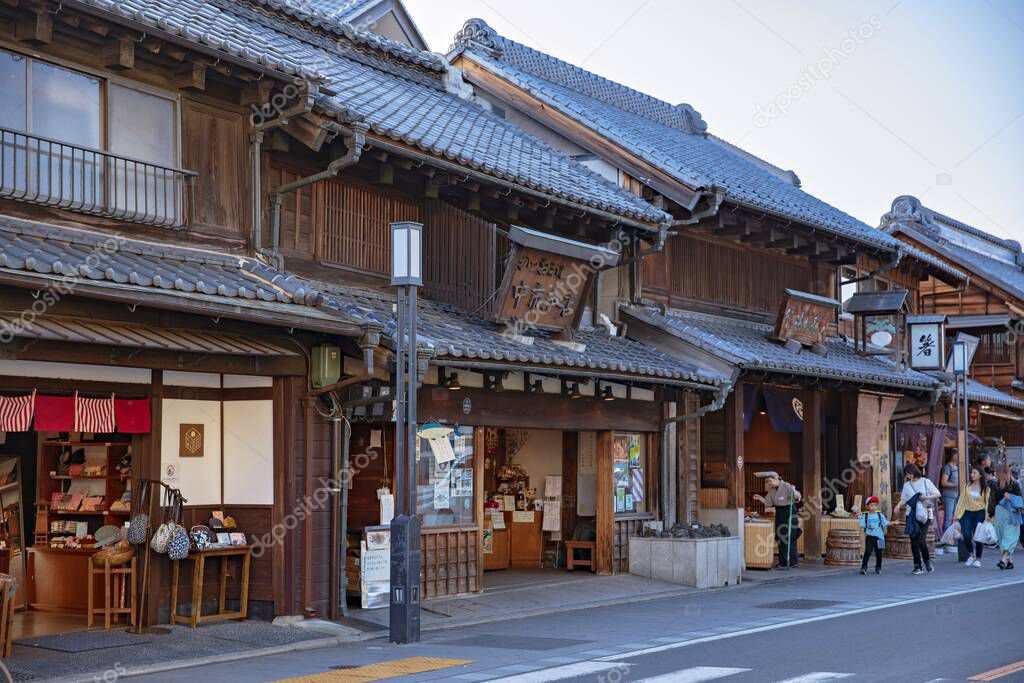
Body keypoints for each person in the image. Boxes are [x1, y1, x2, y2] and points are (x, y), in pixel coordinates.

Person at [894, 463, 940, 575]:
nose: (908, 475)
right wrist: (898, 505)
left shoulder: (925, 481)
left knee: (921, 539)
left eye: (909, 473)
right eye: (906, 474)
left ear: (914, 471)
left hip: (925, 513)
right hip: (911, 515)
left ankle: (927, 561)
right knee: (913, 540)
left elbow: (937, 494)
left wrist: (926, 497)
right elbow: (904, 499)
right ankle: (917, 566)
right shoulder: (906, 485)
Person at [753, 471, 802, 570]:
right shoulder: (772, 490)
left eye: (770, 481)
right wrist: (760, 498)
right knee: (780, 537)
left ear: (776, 479)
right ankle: (782, 562)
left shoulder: (787, 486)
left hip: (789, 512)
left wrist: (794, 491)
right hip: (779, 513)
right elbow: (768, 502)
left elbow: (797, 497)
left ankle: (792, 561)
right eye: (767, 482)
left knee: (789, 537)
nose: (768, 483)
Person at [988, 464, 1023, 570]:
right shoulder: (995, 484)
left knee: (1009, 537)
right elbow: (992, 500)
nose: (998, 475)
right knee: (1002, 536)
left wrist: (1010, 497)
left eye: (999, 473)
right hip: (999, 513)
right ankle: (1010, 561)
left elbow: (1020, 499)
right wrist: (990, 514)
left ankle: (1003, 559)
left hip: (1012, 513)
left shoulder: (1014, 484)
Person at [953, 466, 989, 567]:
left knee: (978, 536)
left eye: (974, 473)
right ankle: (971, 555)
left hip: (980, 513)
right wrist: (956, 515)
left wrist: (987, 516)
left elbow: (987, 503)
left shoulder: (986, 488)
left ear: (980, 475)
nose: (972, 475)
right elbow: (961, 501)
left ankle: (978, 558)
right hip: (967, 513)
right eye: (971, 473)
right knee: (966, 534)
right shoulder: (967, 486)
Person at [859, 495, 888, 575]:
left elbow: (885, 523)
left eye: (875, 505)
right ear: (867, 506)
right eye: (871, 505)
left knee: (879, 553)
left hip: (881, 538)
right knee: (867, 552)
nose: (873, 507)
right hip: (869, 537)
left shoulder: (880, 515)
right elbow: (862, 527)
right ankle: (864, 568)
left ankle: (878, 567)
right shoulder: (865, 515)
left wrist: (894, 523)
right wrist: (860, 537)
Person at [939, 451, 960, 537]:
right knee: (948, 518)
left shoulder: (957, 467)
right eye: (958, 455)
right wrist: (957, 485)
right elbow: (943, 482)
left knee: (954, 518)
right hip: (948, 496)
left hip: (956, 496)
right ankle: (945, 538)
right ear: (954, 456)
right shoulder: (947, 467)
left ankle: (952, 538)